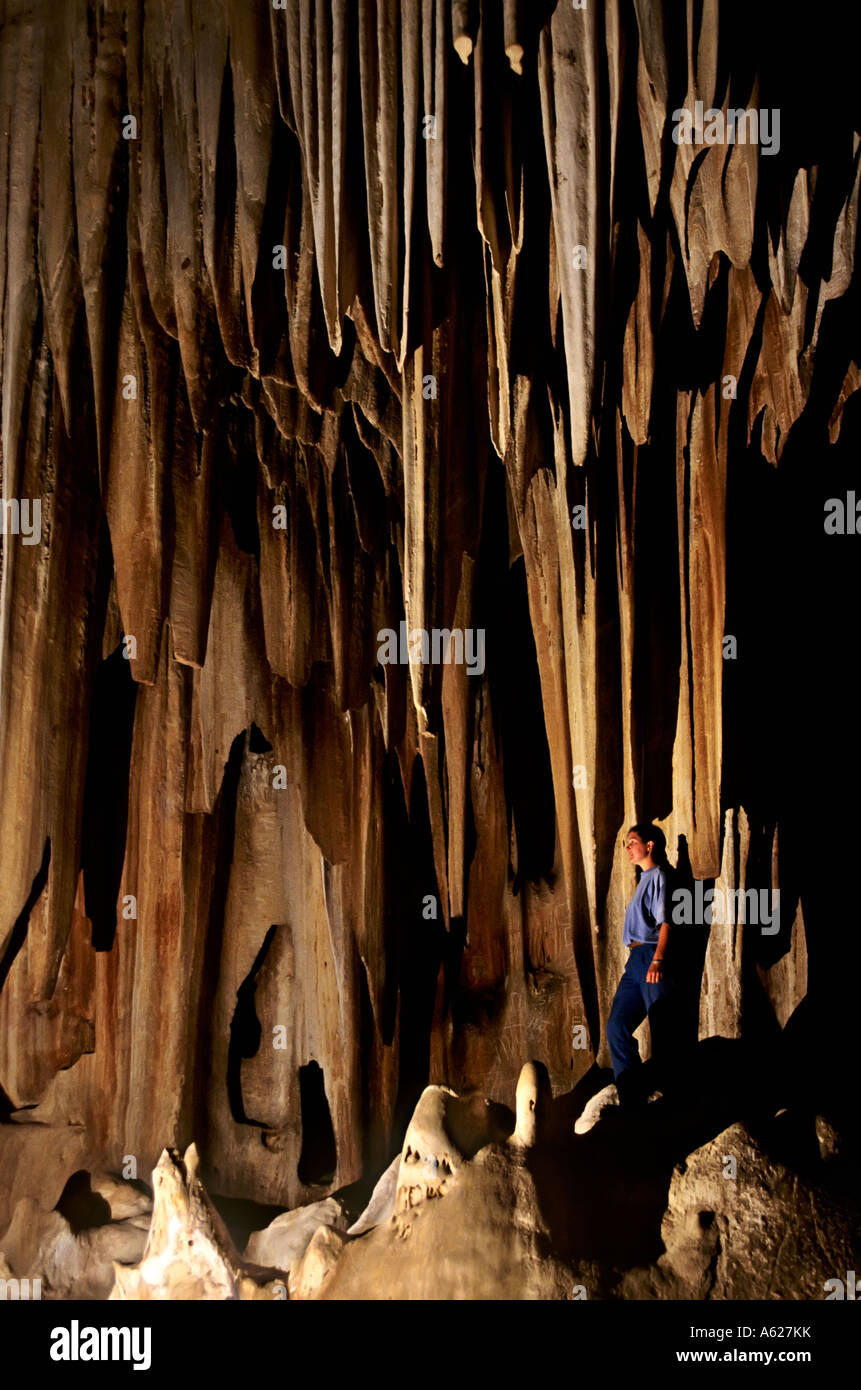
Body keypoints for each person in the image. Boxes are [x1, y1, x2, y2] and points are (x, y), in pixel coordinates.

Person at [606, 823, 675, 1108]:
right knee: (616, 1026)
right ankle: (631, 1093)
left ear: (649, 846)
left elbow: (666, 922)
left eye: (632, 842)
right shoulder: (644, 879)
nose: (627, 848)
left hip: (650, 955)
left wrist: (658, 958)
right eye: (626, 843)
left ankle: (669, 1094)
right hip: (634, 962)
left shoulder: (659, 875)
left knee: (661, 1027)